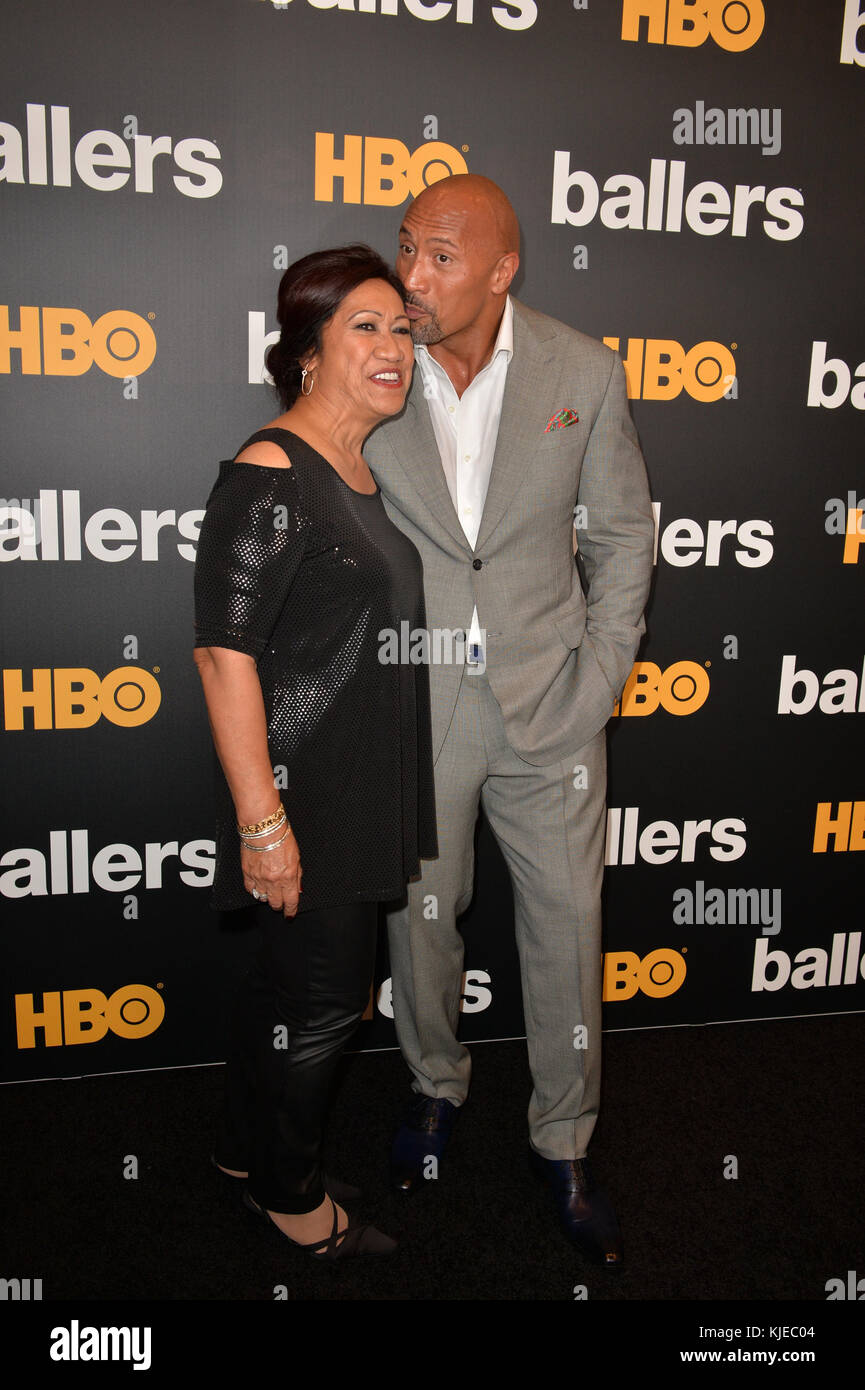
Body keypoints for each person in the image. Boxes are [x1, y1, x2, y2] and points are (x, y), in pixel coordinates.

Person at [363, 175, 655, 1268]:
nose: (413, 275)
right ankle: (434, 1087)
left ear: (501, 267)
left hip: (552, 705)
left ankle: (564, 1138)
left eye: (439, 254)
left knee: (566, 932)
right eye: (406, 249)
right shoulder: (373, 362)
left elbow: (623, 537)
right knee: (420, 927)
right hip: (417, 704)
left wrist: (600, 678)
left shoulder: (582, 368)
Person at [193, 244, 437, 1262]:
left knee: (280, 990)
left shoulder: (356, 468)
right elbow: (222, 654)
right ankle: (291, 1201)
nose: (393, 349)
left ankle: (250, 1152)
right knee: (329, 1005)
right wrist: (264, 823)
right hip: (306, 799)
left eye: (402, 329)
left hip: (349, 783)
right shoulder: (270, 468)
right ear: (306, 354)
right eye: (364, 328)